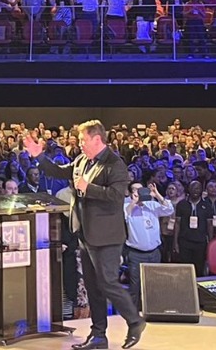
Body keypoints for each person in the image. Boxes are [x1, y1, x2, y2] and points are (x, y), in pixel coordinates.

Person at [23, 120, 146, 350]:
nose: (79, 143)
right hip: (85, 234)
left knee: (107, 282)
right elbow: (59, 172)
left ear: (97, 139)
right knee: (92, 287)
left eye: (83, 139)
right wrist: (39, 156)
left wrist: (88, 187)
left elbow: (116, 195)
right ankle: (98, 335)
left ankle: (135, 321)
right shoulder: (81, 160)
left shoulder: (114, 163)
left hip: (107, 236)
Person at [122, 182, 173, 313]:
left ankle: (153, 311)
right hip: (136, 254)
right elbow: (124, 216)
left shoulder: (152, 205)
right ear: (130, 193)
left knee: (153, 284)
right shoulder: (127, 206)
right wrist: (134, 202)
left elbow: (169, 210)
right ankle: (133, 314)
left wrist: (157, 195)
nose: (139, 192)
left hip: (154, 252)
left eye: (141, 189)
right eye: (135, 190)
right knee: (135, 286)